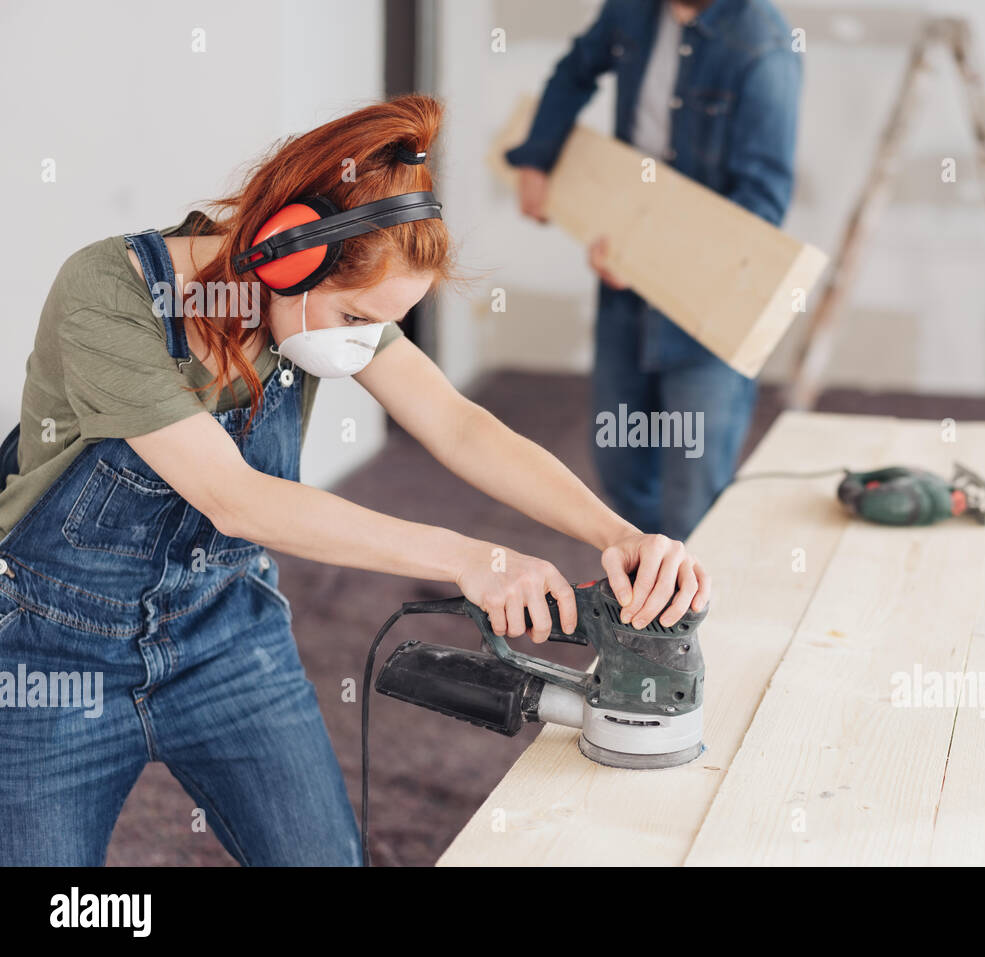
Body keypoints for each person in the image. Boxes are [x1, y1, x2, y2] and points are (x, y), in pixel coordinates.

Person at [0, 94, 708, 866]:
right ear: (282, 255)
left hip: (226, 631)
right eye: (354, 319)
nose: (365, 344)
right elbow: (236, 500)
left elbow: (459, 424)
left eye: (383, 324)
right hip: (53, 655)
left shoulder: (319, 305)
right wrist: (471, 558)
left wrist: (619, 534)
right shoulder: (110, 292)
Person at [506, 0, 802, 540]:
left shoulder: (763, 46)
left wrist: (655, 260)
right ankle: (646, 601)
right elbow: (576, 70)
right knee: (619, 461)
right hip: (624, 280)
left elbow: (760, 204)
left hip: (709, 298)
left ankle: (693, 614)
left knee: (694, 490)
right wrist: (536, 157)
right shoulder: (634, 10)